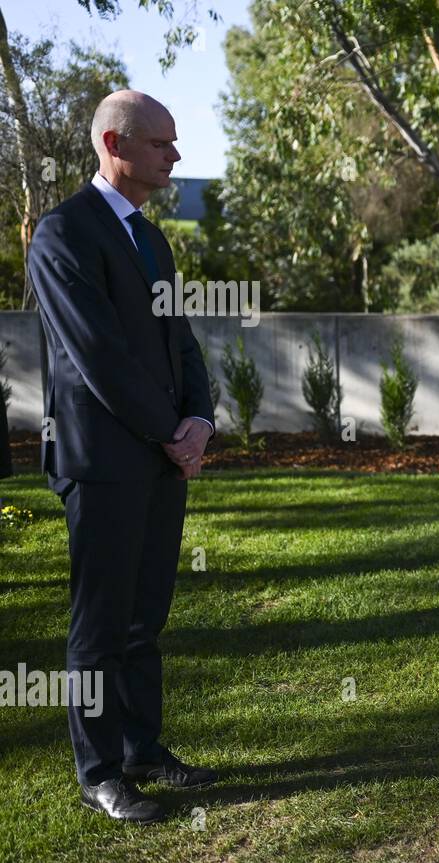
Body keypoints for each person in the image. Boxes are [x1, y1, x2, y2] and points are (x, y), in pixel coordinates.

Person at [26, 90, 219, 823]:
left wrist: (199, 418)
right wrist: (169, 433)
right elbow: (97, 356)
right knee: (100, 627)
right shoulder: (63, 233)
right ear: (116, 143)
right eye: (163, 143)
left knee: (145, 618)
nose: (175, 156)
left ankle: (142, 749)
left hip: (163, 460)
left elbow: (182, 342)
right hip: (103, 462)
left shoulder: (152, 239)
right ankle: (99, 770)